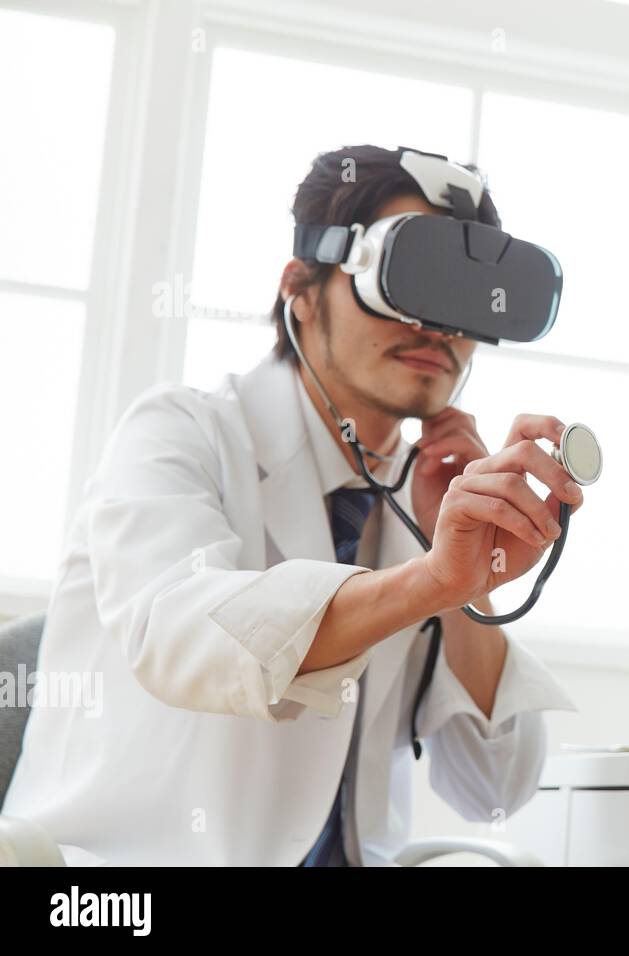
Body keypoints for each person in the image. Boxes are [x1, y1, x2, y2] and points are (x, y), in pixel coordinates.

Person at [1, 145, 581, 865]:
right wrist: (427, 581)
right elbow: (180, 638)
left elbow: (492, 789)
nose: (439, 329)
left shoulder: (425, 502)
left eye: (464, 300)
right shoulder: (178, 433)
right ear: (301, 290)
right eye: (411, 282)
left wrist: (469, 587)